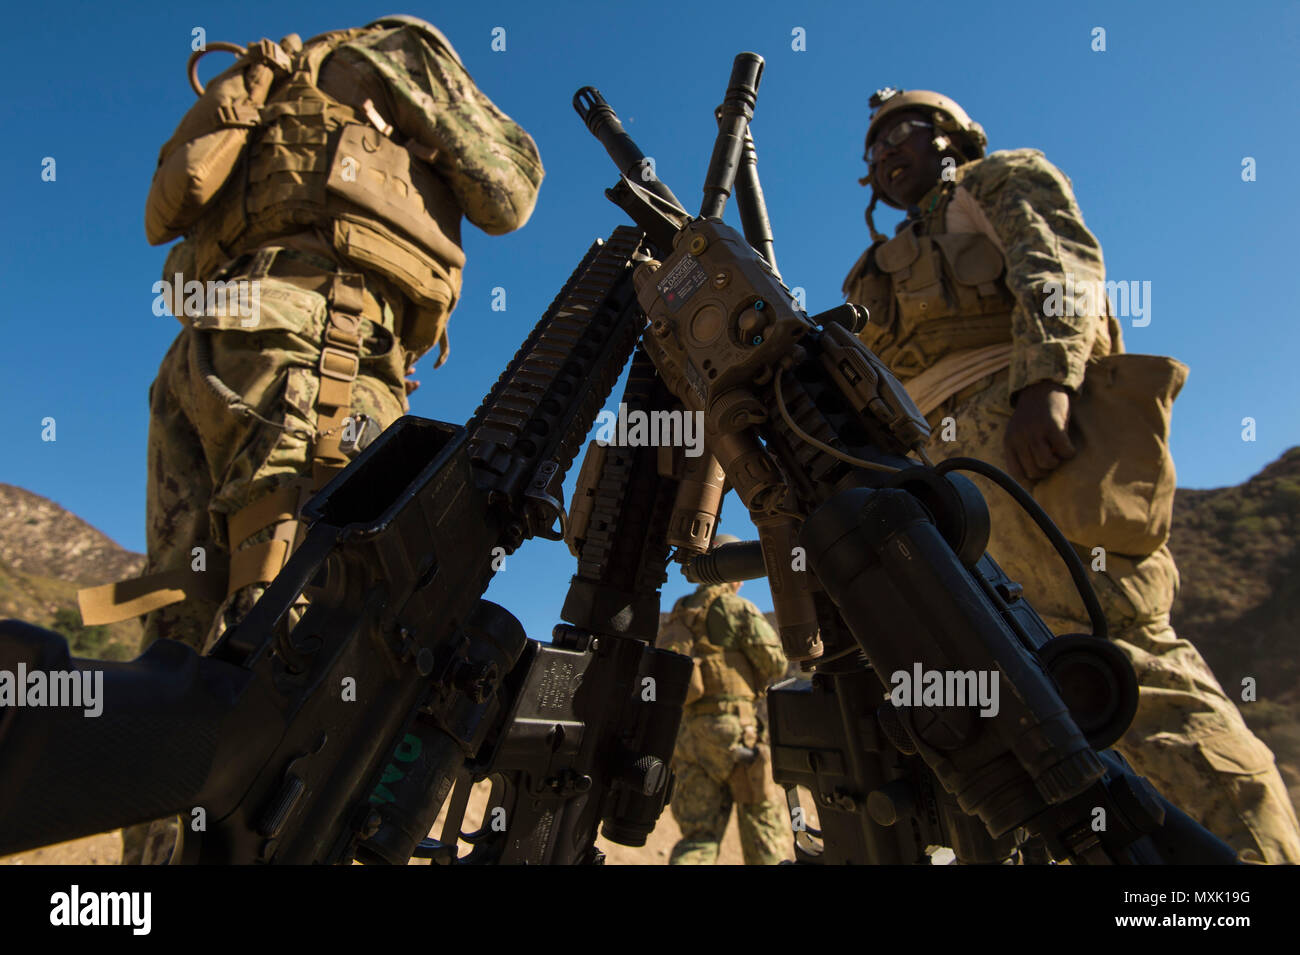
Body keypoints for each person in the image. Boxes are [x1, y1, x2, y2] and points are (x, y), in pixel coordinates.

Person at [81, 15, 543, 864]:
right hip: (316, 340)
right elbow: (510, 193)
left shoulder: (272, 77)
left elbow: (167, 214)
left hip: (207, 353)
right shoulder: (392, 49)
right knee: (306, 632)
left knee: (181, 651)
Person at [842, 87, 1300, 863]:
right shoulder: (870, 273)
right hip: (939, 490)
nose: (886, 153)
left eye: (902, 133)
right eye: (874, 148)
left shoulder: (996, 182)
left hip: (1029, 455)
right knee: (1020, 705)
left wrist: (1045, 384)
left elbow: (1059, 266)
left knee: (1121, 663)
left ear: (951, 138)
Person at [656, 536, 791, 864]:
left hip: (688, 737)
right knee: (763, 830)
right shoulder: (735, 607)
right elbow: (776, 664)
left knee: (698, 838)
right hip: (735, 734)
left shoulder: (680, 612)